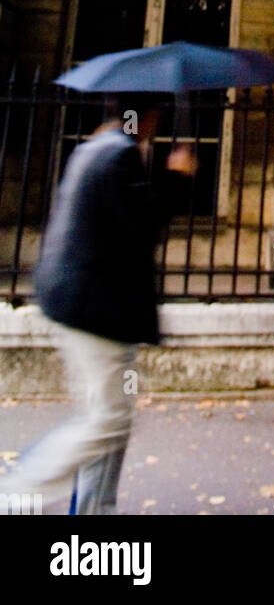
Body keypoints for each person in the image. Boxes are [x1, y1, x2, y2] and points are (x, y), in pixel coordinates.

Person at [0, 95, 196, 515]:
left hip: (84, 303)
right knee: (106, 420)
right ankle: (14, 497)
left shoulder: (97, 148)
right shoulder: (117, 157)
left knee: (109, 418)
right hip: (93, 308)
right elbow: (140, 225)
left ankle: (93, 510)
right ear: (147, 116)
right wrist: (178, 178)